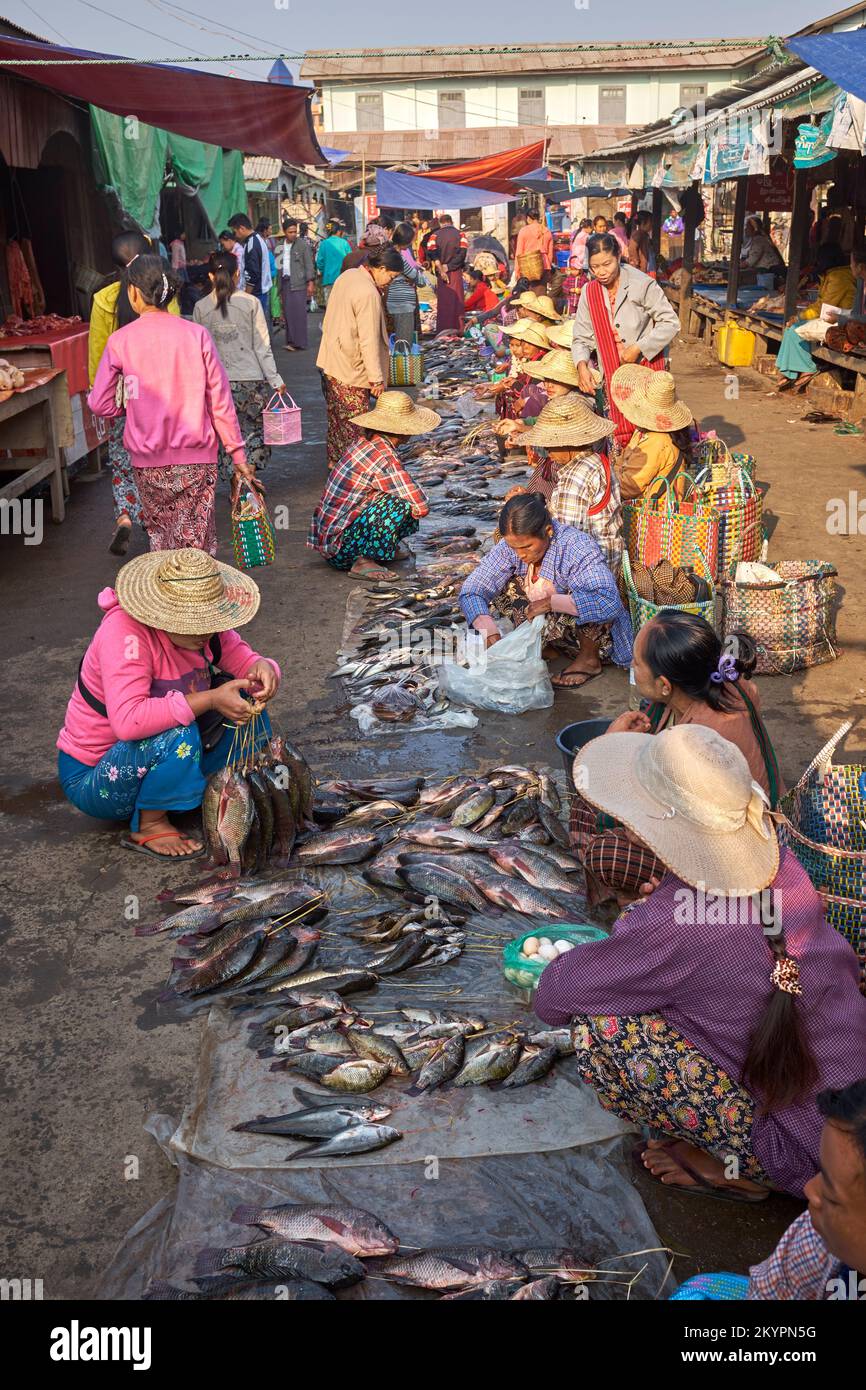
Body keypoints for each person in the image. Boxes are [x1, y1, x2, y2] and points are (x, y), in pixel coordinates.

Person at [537, 721, 866, 1201]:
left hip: (808, 1154)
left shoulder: (674, 925)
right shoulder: (784, 868)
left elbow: (555, 995)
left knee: (601, 1030)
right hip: (848, 1098)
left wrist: (640, 922)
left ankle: (743, 1167)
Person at [57, 548, 280, 859]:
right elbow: (129, 721)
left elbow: (243, 659)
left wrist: (263, 670)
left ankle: (209, 791)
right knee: (179, 732)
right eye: (193, 624)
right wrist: (212, 698)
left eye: (208, 623)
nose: (204, 632)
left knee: (244, 701)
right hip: (98, 779)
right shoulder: (125, 634)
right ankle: (150, 823)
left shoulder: (207, 628)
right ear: (160, 613)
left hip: (148, 759)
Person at [570, 612, 783, 905]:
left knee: (606, 851)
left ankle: (644, 906)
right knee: (584, 802)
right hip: (697, 810)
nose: (632, 666)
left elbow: (660, 828)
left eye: (637, 662)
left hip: (726, 854)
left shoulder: (702, 739)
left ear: (665, 685)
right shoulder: (716, 682)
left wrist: (612, 742)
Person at [88, 254, 253, 556]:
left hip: (148, 466)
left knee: (162, 542)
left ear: (134, 293)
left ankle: (168, 599)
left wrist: (128, 409)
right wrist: (238, 454)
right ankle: (198, 595)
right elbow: (220, 401)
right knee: (196, 541)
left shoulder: (120, 341)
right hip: (198, 462)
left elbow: (99, 403)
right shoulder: (197, 335)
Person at [671, 1078, 866, 1300]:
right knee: (694, 1293)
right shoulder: (818, 1238)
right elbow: (771, 1291)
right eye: (823, 1173)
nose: (810, 1189)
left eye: (831, 1196)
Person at [459, 493, 632, 686]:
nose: (521, 554)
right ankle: (545, 647)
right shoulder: (510, 548)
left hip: (595, 638)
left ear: (548, 531)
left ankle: (588, 659)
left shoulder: (576, 547)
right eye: (514, 548)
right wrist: (488, 630)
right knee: (504, 585)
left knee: (582, 594)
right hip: (553, 629)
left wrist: (551, 603)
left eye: (526, 547)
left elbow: (608, 603)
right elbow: (472, 590)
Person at [88, 231, 181, 557]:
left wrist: (101, 397)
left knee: (124, 461)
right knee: (162, 461)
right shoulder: (164, 292)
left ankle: (126, 516)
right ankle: (162, 521)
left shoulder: (103, 299)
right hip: (162, 394)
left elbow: (98, 356)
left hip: (122, 398)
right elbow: (178, 339)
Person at [308, 390, 438, 580]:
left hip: (329, 537)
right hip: (340, 551)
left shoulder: (366, 442)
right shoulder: (384, 457)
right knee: (399, 504)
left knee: (396, 496)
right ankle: (362, 561)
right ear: (403, 432)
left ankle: (380, 549)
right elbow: (421, 506)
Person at [571, 232, 681, 453]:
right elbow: (581, 336)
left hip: (645, 369)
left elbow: (670, 323)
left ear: (619, 256)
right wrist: (581, 364)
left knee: (650, 432)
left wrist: (639, 347)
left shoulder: (642, 284)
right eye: (595, 267)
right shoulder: (589, 292)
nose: (601, 272)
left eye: (607, 264)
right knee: (619, 436)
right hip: (611, 372)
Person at [510, 396, 622, 602]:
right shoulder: (596, 461)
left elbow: (566, 536)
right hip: (608, 559)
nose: (548, 453)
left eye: (552, 447)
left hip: (589, 576)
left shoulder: (575, 478)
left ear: (569, 444)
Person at [192, 250, 285, 480]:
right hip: (250, 379)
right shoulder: (251, 303)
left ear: (211, 276)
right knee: (254, 432)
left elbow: (197, 355)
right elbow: (263, 346)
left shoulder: (201, 308)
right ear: (237, 274)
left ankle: (237, 478)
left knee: (226, 437)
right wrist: (275, 380)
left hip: (217, 386)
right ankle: (249, 475)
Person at [316, 243, 404, 470]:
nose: (390, 282)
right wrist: (376, 379)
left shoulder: (348, 276)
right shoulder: (368, 293)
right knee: (355, 421)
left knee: (337, 418)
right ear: (381, 268)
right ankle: (351, 471)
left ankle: (334, 461)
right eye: (392, 277)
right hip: (350, 366)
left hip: (332, 359)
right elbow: (368, 340)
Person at [776, 244, 856, 391]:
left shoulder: (840, 277)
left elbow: (824, 305)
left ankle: (807, 367)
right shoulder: (831, 275)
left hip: (842, 321)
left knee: (795, 330)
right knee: (790, 329)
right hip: (834, 317)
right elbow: (821, 303)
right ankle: (789, 370)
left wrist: (800, 317)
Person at [609, 364, 694, 501]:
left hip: (653, 516)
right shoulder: (643, 432)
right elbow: (621, 462)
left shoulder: (656, 441)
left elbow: (627, 488)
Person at [386, 221, 431, 346]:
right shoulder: (398, 257)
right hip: (402, 304)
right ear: (406, 240)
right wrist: (416, 276)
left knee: (394, 341)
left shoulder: (387, 251)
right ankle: (402, 365)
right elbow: (420, 281)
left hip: (391, 301)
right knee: (404, 343)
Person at [276, 218, 315, 352]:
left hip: (299, 282)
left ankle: (300, 342)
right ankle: (291, 341)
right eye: (290, 232)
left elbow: (309, 264)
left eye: (295, 232)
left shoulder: (302, 245)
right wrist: (278, 287)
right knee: (288, 314)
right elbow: (278, 267)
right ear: (285, 232)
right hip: (285, 283)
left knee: (299, 314)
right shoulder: (279, 246)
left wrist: (310, 282)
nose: (293, 234)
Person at [426, 214, 468, 332]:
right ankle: (459, 329)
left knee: (444, 303)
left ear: (441, 223)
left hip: (441, 274)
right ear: (452, 221)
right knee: (457, 302)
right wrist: (449, 266)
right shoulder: (461, 234)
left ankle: (443, 330)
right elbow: (462, 254)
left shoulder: (434, 235)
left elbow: (431, 251)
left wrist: (440, 266)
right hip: (455, 272)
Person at [228, 213, 272, 316]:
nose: (234, 235)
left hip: (256, 294)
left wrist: (245, 296)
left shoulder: (252, 244)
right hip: (260, 292)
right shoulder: (256, 239)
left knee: (255, 327)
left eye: (234, 231)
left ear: (242, 228)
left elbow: (252, 275)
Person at [315, 222, 351, 302]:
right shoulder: (344, 243)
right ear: (338, 231)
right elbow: (350, 260)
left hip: (328, 279)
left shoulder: (324, 244)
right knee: (344, 306)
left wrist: (323, 271)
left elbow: (320, 262)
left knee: (330, 307)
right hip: (343, 279)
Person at [515, 208, 554, 272]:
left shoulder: (524, 231)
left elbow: (519, 253)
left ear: (528, 218)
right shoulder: (547, 231)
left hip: (528, 266)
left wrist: (517, 270)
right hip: (545, 266)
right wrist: (548, 268)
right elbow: (550, 254)